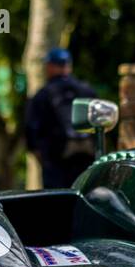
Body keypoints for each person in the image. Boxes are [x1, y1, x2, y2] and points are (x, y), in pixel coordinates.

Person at [24, 47, 97, 188]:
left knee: (56, 203)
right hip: (86, 158)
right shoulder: (87, 90)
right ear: (68, 65)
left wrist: (40, 155)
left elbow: (31, 129)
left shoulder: (42, 95)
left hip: (54, 162)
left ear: (50, 66)